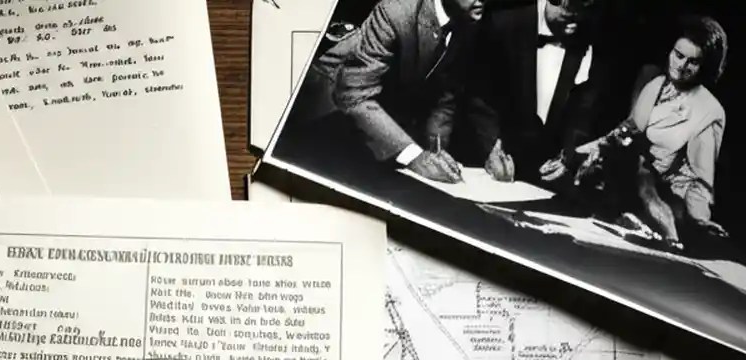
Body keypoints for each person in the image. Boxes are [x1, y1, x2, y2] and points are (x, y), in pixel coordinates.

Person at [572, 15, 728, 250]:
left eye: (693, 62)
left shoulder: (709, 110)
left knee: (640, 168)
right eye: (678, 55)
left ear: (705, 66)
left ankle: (669, 236)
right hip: (628, 175)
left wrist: (700, 219)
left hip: (666, 197)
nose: (681, 66)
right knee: (595, 161)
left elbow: (701, 177)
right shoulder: (654, 83)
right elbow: (627, 130)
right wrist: (576, 154)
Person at [307, 0, 487, 182]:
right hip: (325, 115)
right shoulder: (396, 11)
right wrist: (413, 156)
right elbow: (354, 93)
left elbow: (445, 97)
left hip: (380, 122)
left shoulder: (468, 24)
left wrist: (436, 152)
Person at [466, 0, 612, 185]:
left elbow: (584, 111)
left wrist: (569, 156)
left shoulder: (590, 39)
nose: (578, 18)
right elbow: (478, 95)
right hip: (491, 168)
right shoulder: (503, 24)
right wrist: (491, 146)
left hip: (547, 178)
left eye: (585, 9)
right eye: (570, 9)